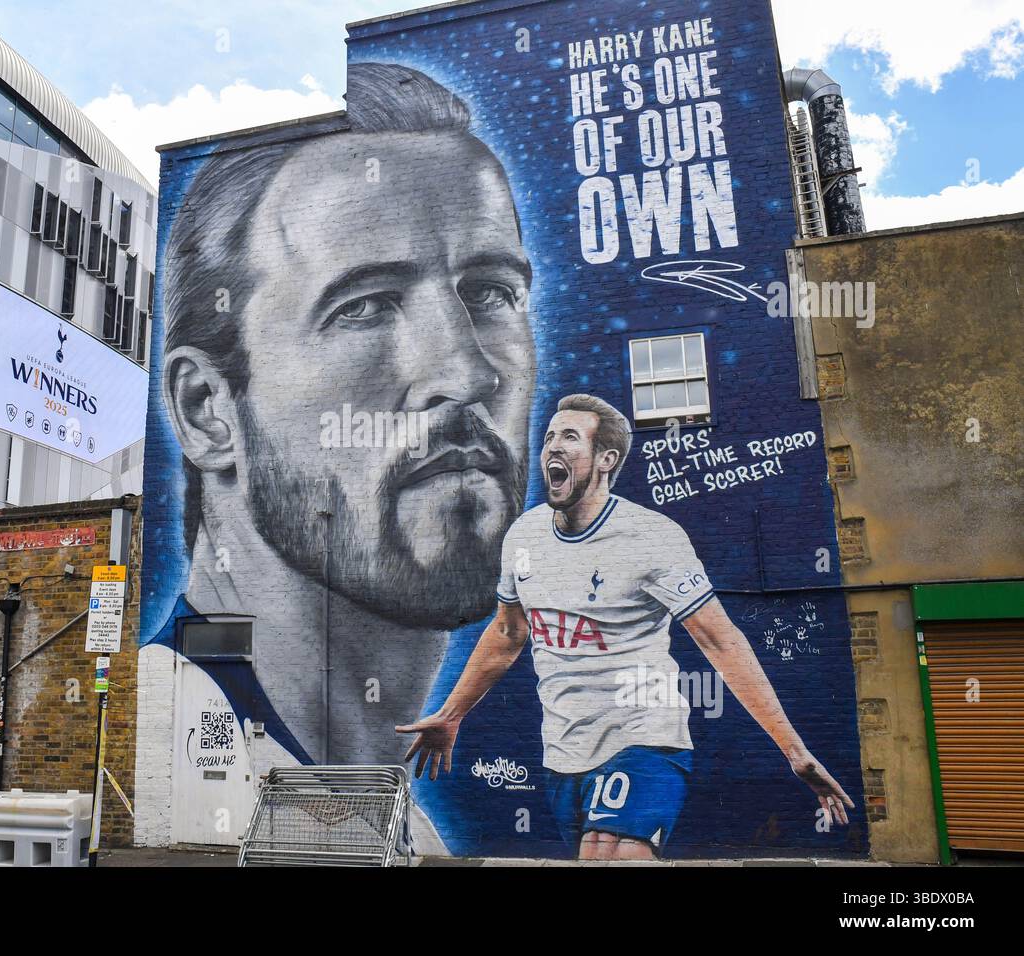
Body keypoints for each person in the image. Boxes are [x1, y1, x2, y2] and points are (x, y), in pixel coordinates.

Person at [142, 62, 537, 850]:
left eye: (490, 293)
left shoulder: (396, 827)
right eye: (363, 306)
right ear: (207, 410)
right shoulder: (162, 748)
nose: (466, 372)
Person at [397, 394, 855, 859]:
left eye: (570, 437)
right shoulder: (524, 536)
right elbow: (506, 635)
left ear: (605, 459)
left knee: (612, 851)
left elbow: (721, 642)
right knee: (591, 854)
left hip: (645, 733)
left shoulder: (652, 537)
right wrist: (452, 713)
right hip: (564, 752)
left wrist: (795, 750)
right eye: (550, 436)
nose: (553, 446)